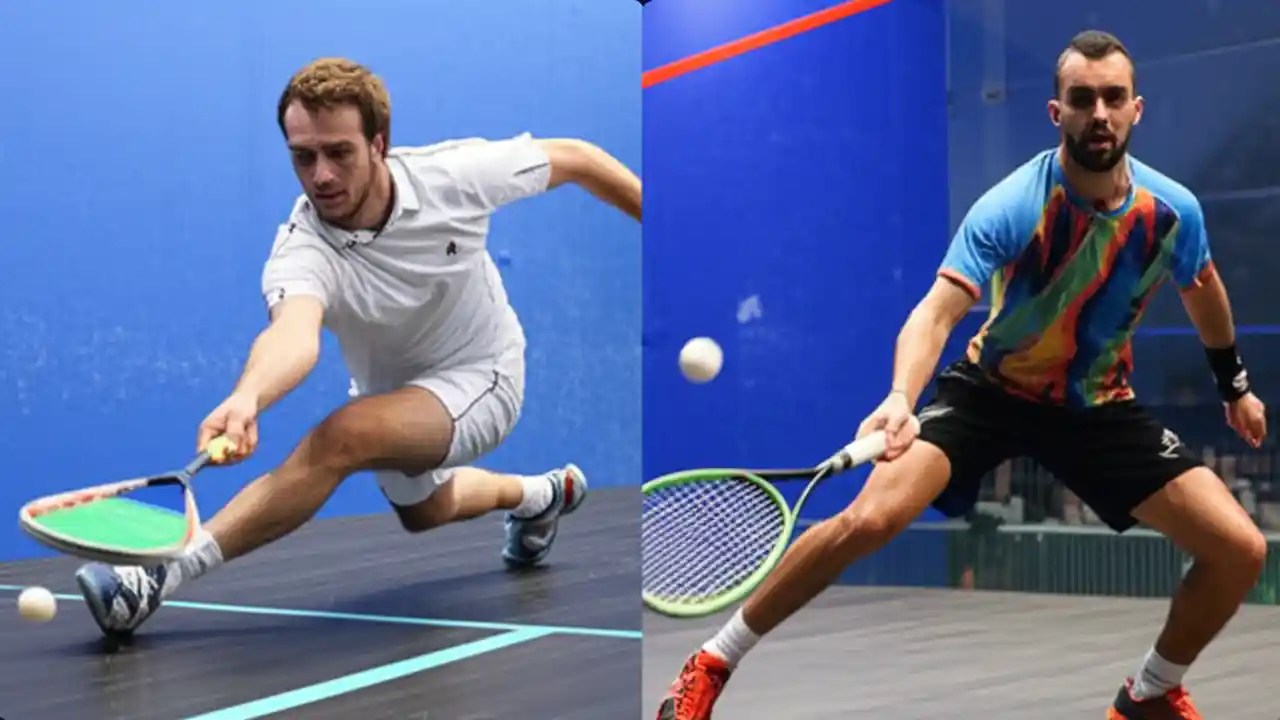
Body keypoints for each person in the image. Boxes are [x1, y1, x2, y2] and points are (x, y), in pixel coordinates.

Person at [656, 30, 1266, 720]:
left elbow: (1203, 289)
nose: (1099, 112)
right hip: (991, 394)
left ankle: (1150, 692)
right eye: (1082, 98)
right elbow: (936, 313)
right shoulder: (1014, 205)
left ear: (1136, 109)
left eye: (1113, 98)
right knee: (870, 519)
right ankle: (712, 660)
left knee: (1238, 550)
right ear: (1056, 112)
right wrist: (898, 398)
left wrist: (1234, 387)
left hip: (1096, 406)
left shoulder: (1172, 212)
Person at [74, 57, 642, 637]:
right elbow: (294, 334)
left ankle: (153, 580)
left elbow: (576, 158)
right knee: (426, 512)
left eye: (338, 152)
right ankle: (541, 495)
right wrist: (247, 397)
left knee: (343, 437)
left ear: (379, 144)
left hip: (484, 374)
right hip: (393, 392)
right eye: (303, 156)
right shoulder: (301, 247)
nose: (320, 174)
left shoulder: (455, 176)